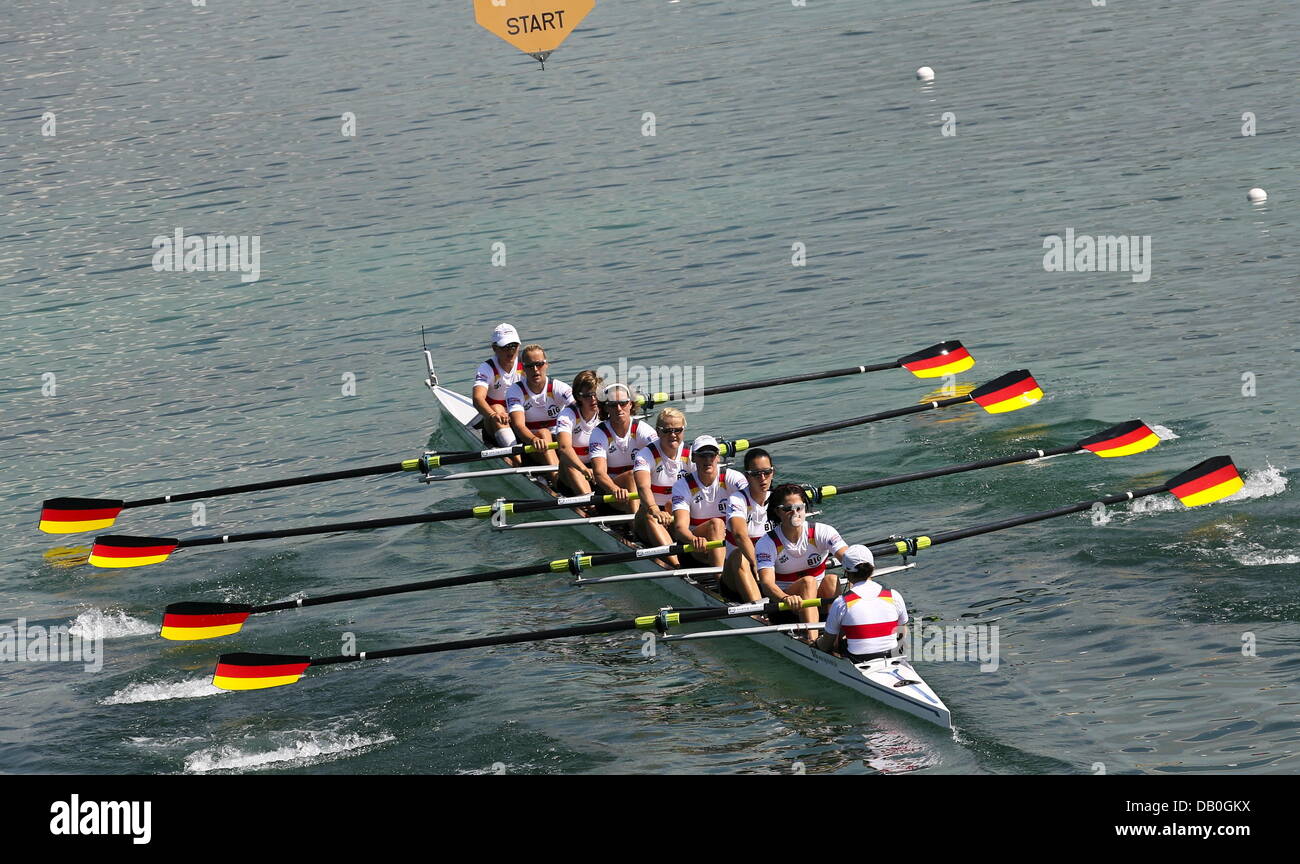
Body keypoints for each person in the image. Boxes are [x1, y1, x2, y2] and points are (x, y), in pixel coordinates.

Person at [753, 483, 849, 639]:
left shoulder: (822, 532)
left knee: (832, 579)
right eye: (788, 509)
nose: (795, 513)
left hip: (817, 605)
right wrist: (785, 598)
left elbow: (848, 559)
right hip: (785, 609)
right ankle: (813, 642)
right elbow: (767, 584)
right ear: (778, 511)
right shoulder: (767, 543)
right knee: (808, 582)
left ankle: (837, 637)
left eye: (799, 508)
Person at [668, 435, 747, 570]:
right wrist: (693, 540)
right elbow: (680, 528)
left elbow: (751, 502)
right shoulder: (682, 486)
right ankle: (721, 580)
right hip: (696, 549)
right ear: (693, 458)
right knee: (716, 524)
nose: (708, 459)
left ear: (718, 457)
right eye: (702, 455)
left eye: (711, 455)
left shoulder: (734, 478)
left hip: (728, 543)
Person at [817, 546, 908, 661]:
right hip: (893, 656)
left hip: (858, 660)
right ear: (873, 568)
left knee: (835, 640)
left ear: (846, 572)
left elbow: (826, 645)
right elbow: (902, 633)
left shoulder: (842, 602)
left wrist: (815, 643)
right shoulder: (894, 596)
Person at [586, 383, 657, 513]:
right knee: (631, 475)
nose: (619, 408)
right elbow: (599, 474)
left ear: (631, 404)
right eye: (613, 404)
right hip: (610, 493)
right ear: (606, 408)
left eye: (623, 403)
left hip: (640, 489)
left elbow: (660, 458)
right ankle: (636, 525)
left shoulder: (643, 430)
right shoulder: (599, 433)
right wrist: (615, 489)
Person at [630, 408, 691, 556]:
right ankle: (677, 565)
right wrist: (655, 509)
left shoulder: (692, 454)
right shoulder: (645, 455)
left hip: (677, 514)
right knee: (650, 515)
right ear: (658, 431)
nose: (673, 435)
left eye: (678, 430)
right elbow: (643, 487)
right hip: (650, 517)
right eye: (666, 431)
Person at [719, 447, 776, 603]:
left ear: (773, 472)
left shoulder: (778, 500)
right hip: (736, 577)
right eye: (756, 474)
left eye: (767, 472)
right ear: (747, 477)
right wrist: (757, 564)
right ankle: (760, 613)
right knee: (740, 555)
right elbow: (739, 535)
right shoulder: (737, 500)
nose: (763, 478)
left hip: (768, 573)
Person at [505, 344, 573, 468]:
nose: (535, 369)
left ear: (546, 365)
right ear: (523, 369)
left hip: (560, 442)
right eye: (530, 366)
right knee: (543, 433)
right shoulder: (515, 391)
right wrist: (533, 440)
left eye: (539, 364)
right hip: (532, 445)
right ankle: (558, 478)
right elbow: (518, 425)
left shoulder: (559, 388)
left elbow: (578, 407)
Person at [471, 323, 522, 449]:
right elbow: (477, 398)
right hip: (494, 422)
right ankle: (515, 457)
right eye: (506, 346)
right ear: (494, 348)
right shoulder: (487, 368)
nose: (510, 350)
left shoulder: (528, 363)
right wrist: (493, 415)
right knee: (498, 408)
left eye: (514, 345)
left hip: (520, 418)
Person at [553, 370, 603, 495]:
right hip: (573, 472)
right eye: (587, 395)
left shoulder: (606, 412)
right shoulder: (568, 415)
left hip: (598, 469)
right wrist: (583, 469)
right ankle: (590, 506)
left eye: (595, 394)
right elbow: (564, 448)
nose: (593, 399)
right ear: (578, 396)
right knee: (568, 461)